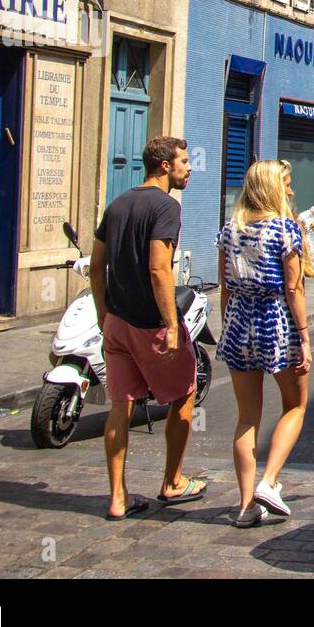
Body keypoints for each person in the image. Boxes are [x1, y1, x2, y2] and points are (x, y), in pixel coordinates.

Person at [90, 136, 206, 520]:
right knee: (184, 395)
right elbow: (159, 268)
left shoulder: (118, 204)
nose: (189, 168)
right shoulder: (166, 207)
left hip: (117, 323)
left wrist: (103, 313)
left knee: (119, 408)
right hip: (150, 323)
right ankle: (173, 480)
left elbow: (95, 266)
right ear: (164, 167)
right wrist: (172, 324)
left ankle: (117, 497)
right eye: (184, 162)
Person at [217, 160, 314, 528]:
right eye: (286, 184)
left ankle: (245, 508)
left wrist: (228, 327)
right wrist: (304, 338)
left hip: (239, 322)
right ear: (273, 187)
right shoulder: (285, 229)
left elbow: (226, 288)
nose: (291, 190)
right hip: (276, 323)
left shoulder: (230, 229)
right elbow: (294, 289)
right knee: (296, 404)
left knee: (246, 418)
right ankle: (270, 482)